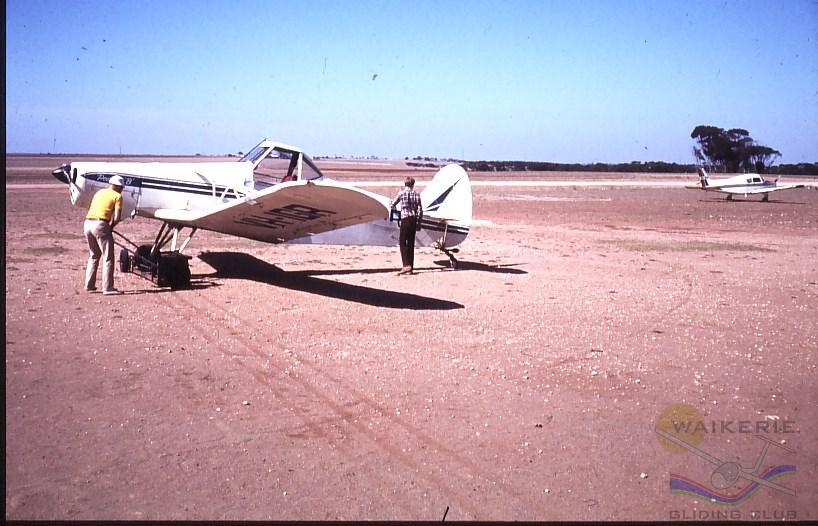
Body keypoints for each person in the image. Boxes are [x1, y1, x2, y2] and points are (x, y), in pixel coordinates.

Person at [84, 175, 125, 295]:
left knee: (94, 255)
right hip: (101, 224)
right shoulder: (118, 196)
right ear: (118, 187)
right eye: (121, 187)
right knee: (108, 257)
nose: (122, 189)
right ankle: (108, 288)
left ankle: (89, 285)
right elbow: (117, 218)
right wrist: (110, 227)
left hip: (87, 223)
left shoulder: (100, 192)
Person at [390, 176, 423, 275]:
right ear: (413, 184)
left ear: (405, 184)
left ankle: (406, 265)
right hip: (413, 219)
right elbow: (420, 210)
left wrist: (396, 210)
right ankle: (411, 267)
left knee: (402, 242)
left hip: (405, 219)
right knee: (411, 244)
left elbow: (392, 204)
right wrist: (419, 223)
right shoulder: (417, 194)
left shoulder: (401, 193)